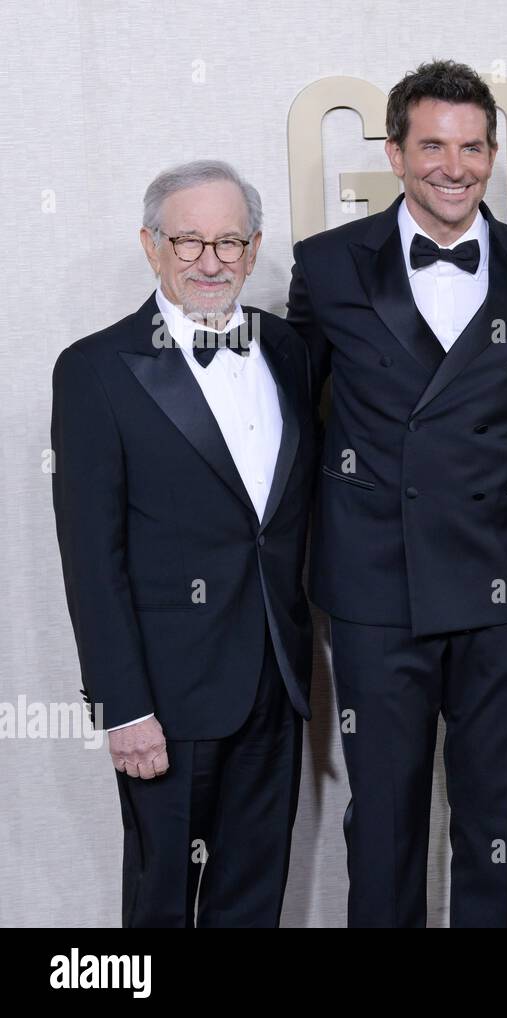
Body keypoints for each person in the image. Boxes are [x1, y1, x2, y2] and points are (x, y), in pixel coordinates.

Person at [286, 59, 507, 927]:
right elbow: (293, 425)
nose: (455, 167)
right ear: (395, 151)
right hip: (378, 590)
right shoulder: (329, 264)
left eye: (473, 147)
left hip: (501, 588)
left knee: (494, 824)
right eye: (433, 146)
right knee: (382, 823)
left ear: (493, 153)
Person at [51, 160, 316, 926]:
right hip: (165, 694)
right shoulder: (96, 370)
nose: (211, 260)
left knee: (253, 896)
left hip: (276, 678)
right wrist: (123, 706)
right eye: (189, 240)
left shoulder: (287, 353)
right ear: (151, 245)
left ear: (254, 245)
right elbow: (90, 558)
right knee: (163, 897)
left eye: (230, 241)